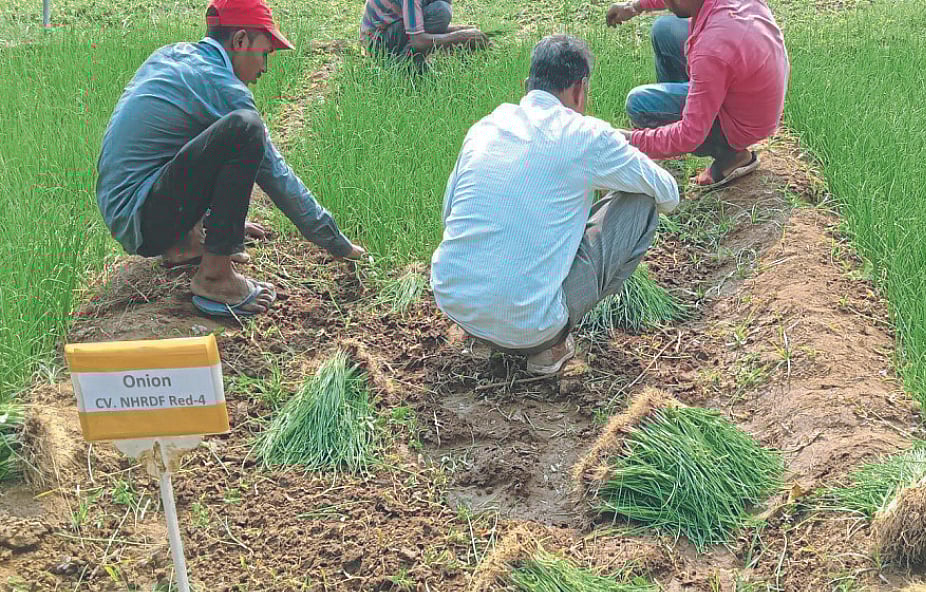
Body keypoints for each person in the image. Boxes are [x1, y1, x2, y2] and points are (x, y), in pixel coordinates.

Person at [96, 0, 365, 318]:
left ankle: (186, 245)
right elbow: (275, 173)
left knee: (217, 131)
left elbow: (184, 154)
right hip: (142, 217)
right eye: (264, 53)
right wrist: (335, 241)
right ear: (240, 40)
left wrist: (223, 223)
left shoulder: (174, 55)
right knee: (246, 129)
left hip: (128, 211)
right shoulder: (220, 84)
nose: (264, 67)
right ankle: (215, 277)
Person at [431, 35, 680, 375]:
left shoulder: (484, 128)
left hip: (454, 301)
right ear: (579, 89)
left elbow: (448, 214)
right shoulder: (588, 135)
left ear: (528, 86)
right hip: (531, 324)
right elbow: (667, 192)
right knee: (642, 198)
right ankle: (551, 346)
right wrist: (615, 161)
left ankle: (478, 336)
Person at [606, 0, 789, 188]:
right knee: (664, 30)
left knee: (639, 105)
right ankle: (673, 133)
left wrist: (629, 140)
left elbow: (690, 134)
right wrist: (635, 6)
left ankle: (731, 155)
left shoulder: (712, 47)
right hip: (751, 93)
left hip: (742, 124)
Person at [361, 0, 489, 63]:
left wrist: (459, 32)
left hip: (390, 31)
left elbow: (417, 24)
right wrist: (460, 37)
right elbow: (418, 41)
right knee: (441, 11)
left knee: (441, 10)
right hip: (377, 44)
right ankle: (407, 69)